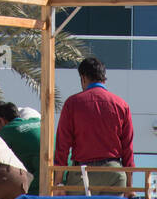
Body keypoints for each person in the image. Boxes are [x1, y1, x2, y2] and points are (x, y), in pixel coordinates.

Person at [54, 55, 134, 190]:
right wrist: (129, 187)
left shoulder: (72, 104)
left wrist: (58, 183)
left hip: (82, 175)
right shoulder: (122, 105)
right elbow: (127, 148)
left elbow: (63, 146)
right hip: (114, 174)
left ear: (83, 78)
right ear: (103, 78)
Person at [0, 101, 41, 195]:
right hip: (62, 173)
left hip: (41, 179)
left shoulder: (7, 131)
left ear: (1, 120)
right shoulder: (36, 121)